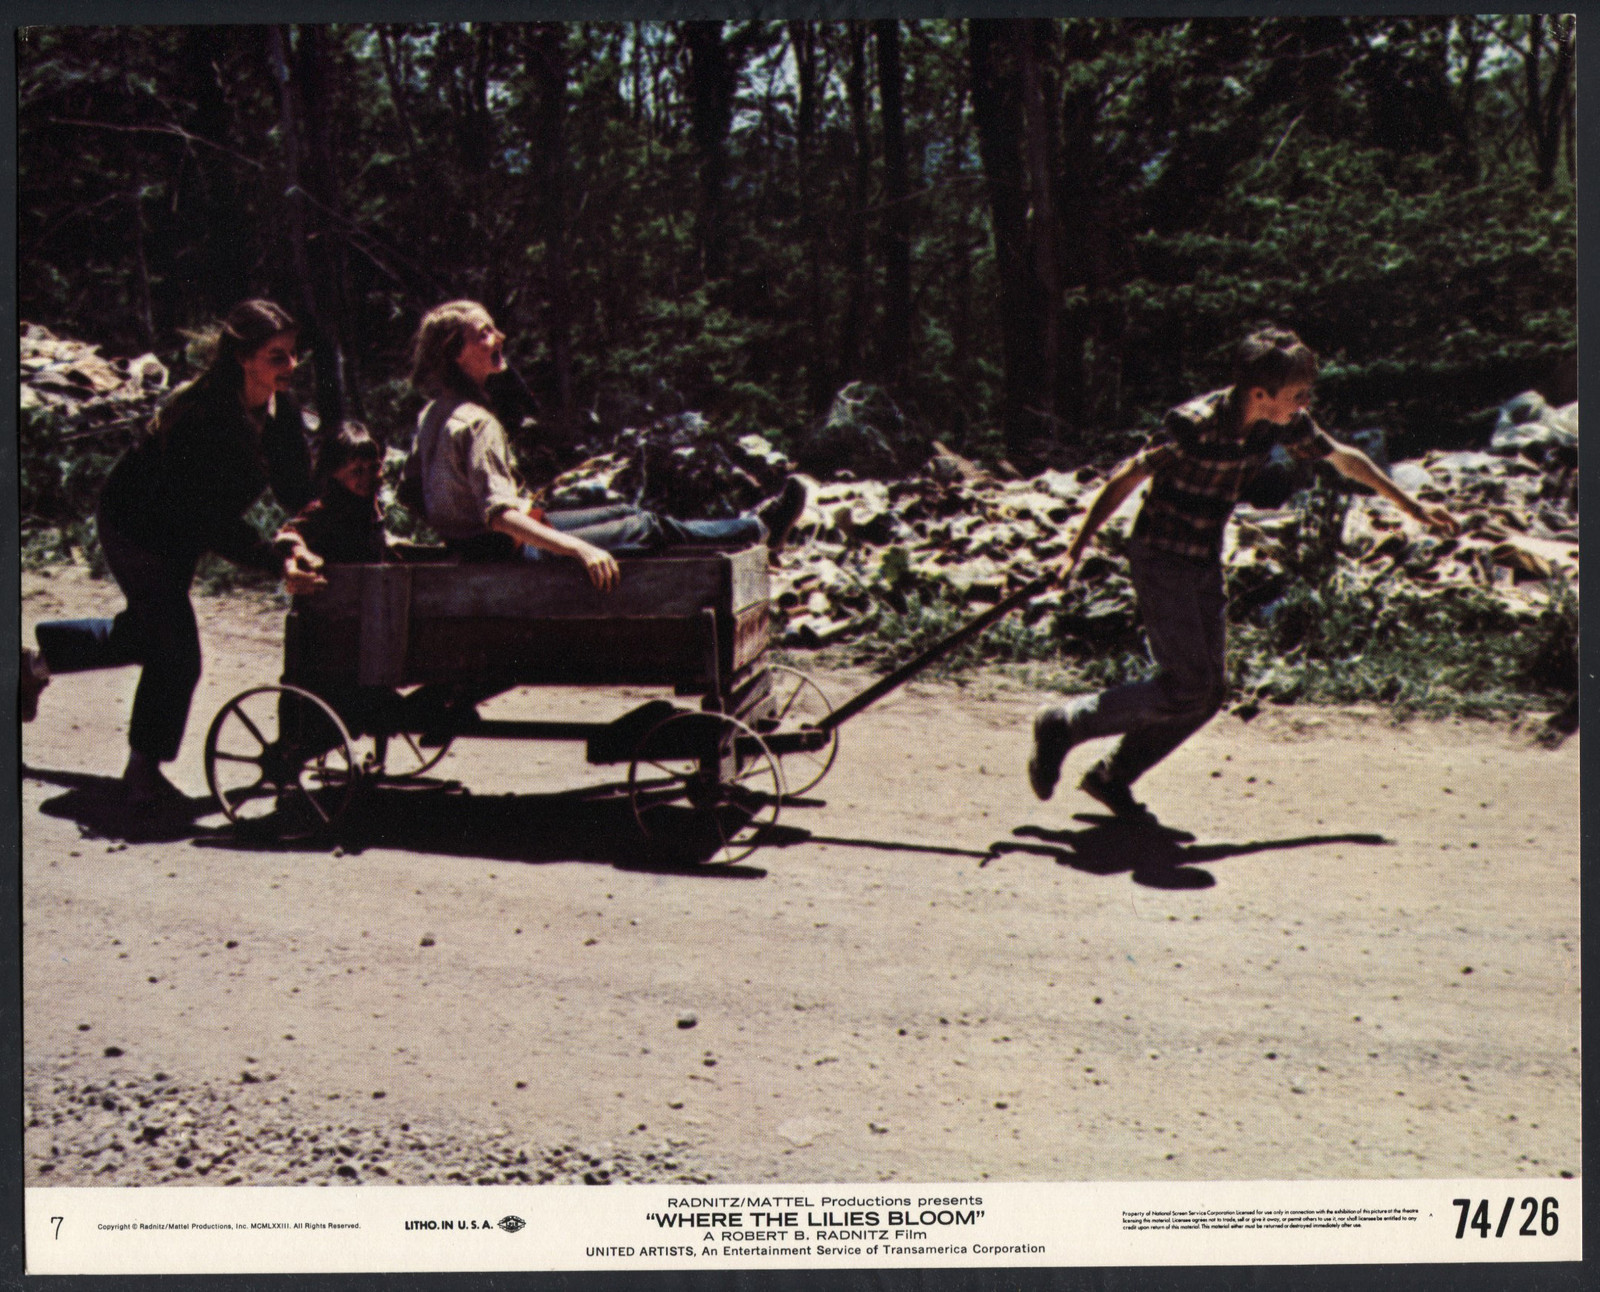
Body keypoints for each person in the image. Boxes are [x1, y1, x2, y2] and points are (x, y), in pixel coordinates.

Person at [1027, 325, 1459, 824]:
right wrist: (1073, 551)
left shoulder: (1279, 424)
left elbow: (1343, 457)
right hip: (1160, 555)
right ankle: (1064, 722)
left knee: (1208, 695)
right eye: (1297, 394)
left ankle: (1111, 777)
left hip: (1202, 556)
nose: (1305, 402)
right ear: (1261, 394)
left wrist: (1413, 506)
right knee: (1187, 682)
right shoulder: (1192, 425)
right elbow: (1125, 478)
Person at [22, 300, 326, 808]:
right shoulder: (203, 417)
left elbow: (295, 485)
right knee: (177, 653)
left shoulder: (281, 407)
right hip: (136, 528)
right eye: (278, 356)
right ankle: (143, 771)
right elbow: (209, 521)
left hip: (178, 532)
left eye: (294, 355)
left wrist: (315, 524)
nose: (290, 367)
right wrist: (278, 560)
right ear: (244, 358)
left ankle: (32, 666)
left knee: (147, 633)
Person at [402, 300, 807, 590]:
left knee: (622, 511)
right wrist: (578, 549)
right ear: (456, 353)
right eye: (484, 333)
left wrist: (456, 528)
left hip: (481, 548)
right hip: (507, 554)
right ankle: (759, 528)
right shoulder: (478, 424)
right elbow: (500, 517)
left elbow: (410, 492)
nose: (500, 336)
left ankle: (756, 528)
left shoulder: (432, 414)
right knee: (643, 526)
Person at [275, 420, 389, 565]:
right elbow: (287, 534)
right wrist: (300, 551)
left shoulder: (370, 509)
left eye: (374, 468)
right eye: (357, 471)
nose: (367, 477)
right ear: (335, 473)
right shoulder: (328, 511)